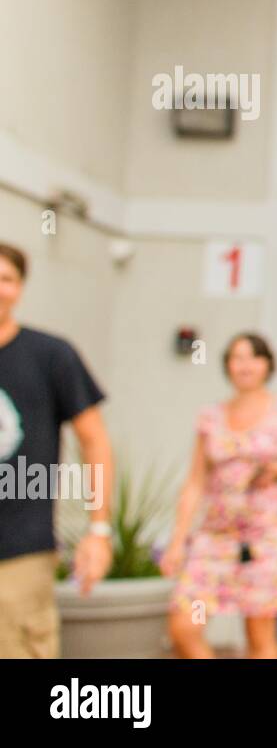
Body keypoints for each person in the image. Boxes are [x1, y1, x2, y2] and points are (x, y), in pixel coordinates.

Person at [162, 332, 277, 658]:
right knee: (183, 626)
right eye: (237, 358)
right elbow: (195, 481)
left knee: (258, 635)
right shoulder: (211, 417)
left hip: (265, 537)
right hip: (214, 536)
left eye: (253, 357)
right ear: (227, 366)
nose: (245, 365)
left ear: (267, 364)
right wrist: (178, 540)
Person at [0, 242, 114, 658]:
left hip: (19, 552)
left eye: (6, 279)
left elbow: (95, 441)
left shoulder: (50, 355)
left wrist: (99, 531)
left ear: (20, 288)